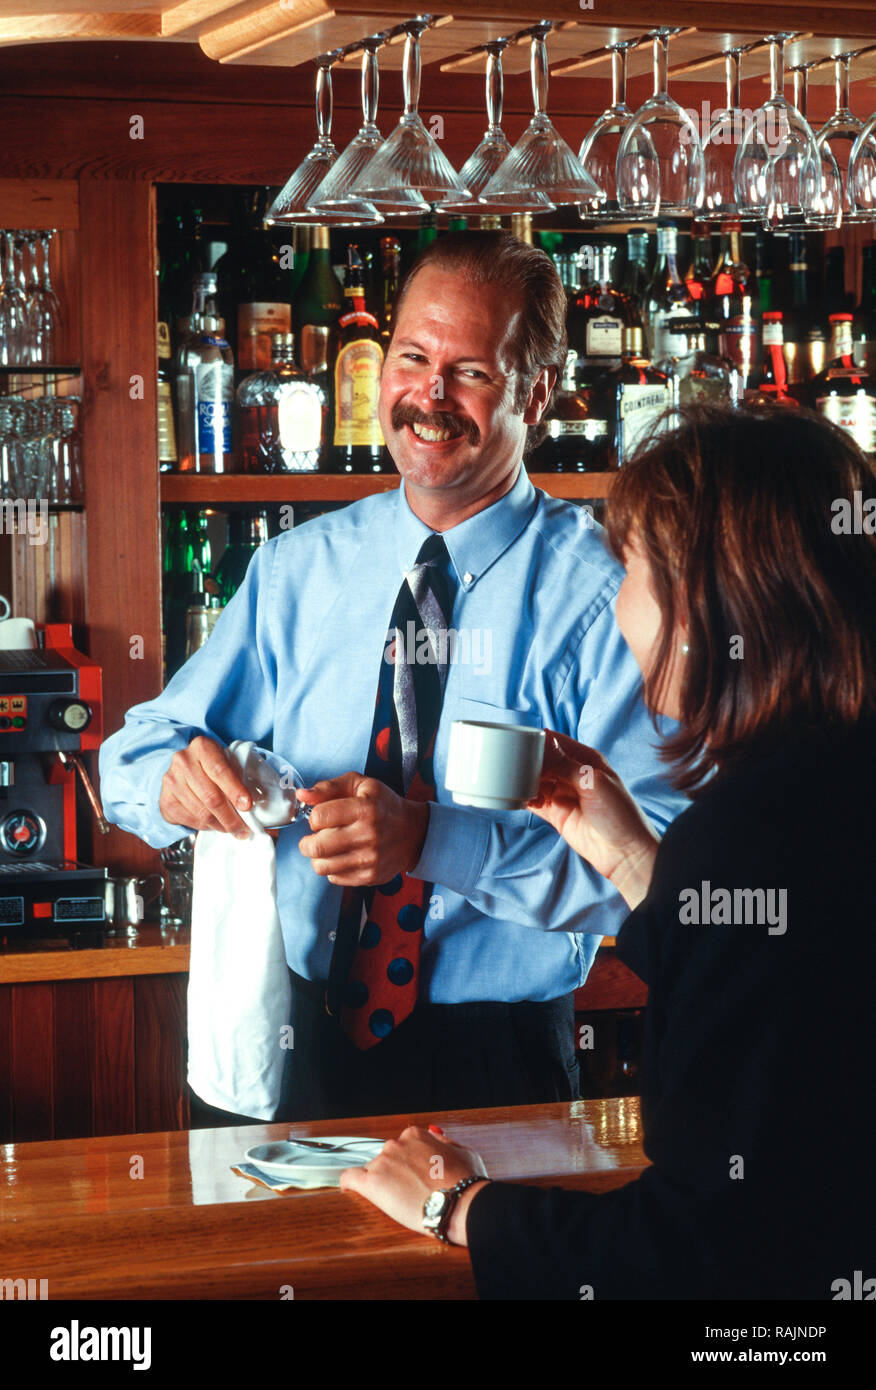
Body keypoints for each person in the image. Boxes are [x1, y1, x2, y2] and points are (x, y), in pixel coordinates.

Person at [98, 231, 686, 1123]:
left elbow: (662, 867)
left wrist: (430, 842)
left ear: (539, 387)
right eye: (412, 357)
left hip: (499, 1059)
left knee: (484, 1271)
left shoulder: (614, 594)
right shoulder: (299, 571)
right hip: (291, 1043)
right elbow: (130, 760)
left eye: (472, 372)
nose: (430, 396)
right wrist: (173, 782)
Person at [339, 404, 876, 1299]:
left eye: (628, 570)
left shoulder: (743, 830)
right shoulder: (822, 788)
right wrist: (630, 856)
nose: (618, 604)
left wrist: (458, 1206)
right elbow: (794, 1018)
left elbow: (703, 1246)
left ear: (705, 601)